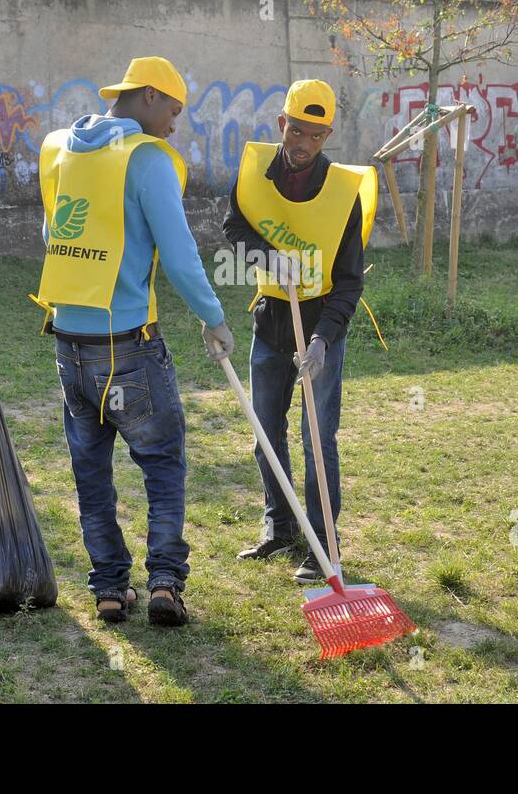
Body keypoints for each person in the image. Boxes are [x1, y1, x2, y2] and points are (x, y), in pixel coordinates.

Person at [31, 56, 233, 626]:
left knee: (91, 473)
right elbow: (180, 252)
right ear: (147, 97)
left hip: (68, 344)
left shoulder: (60, 149)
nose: (173, 125)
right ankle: (165, 582)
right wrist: (213, 317)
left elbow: (54, 233)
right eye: (171, 110)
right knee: (163, 464)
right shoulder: (147, 160)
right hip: (129, 347)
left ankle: (110, 590)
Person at [221, 79, 376, 582]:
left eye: (315, 134)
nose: (302, 142)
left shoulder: (341, 193)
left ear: (327, 134)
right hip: (270, 320)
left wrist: (323, 340)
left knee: (318, 437)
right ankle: (280, 526)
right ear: (281, 124)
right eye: (296, 130)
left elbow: (350, 281)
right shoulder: (252, 174)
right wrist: (270, 258)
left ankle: (323, 543)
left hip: (319, 328)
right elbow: (233, 229)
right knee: (266, 432)